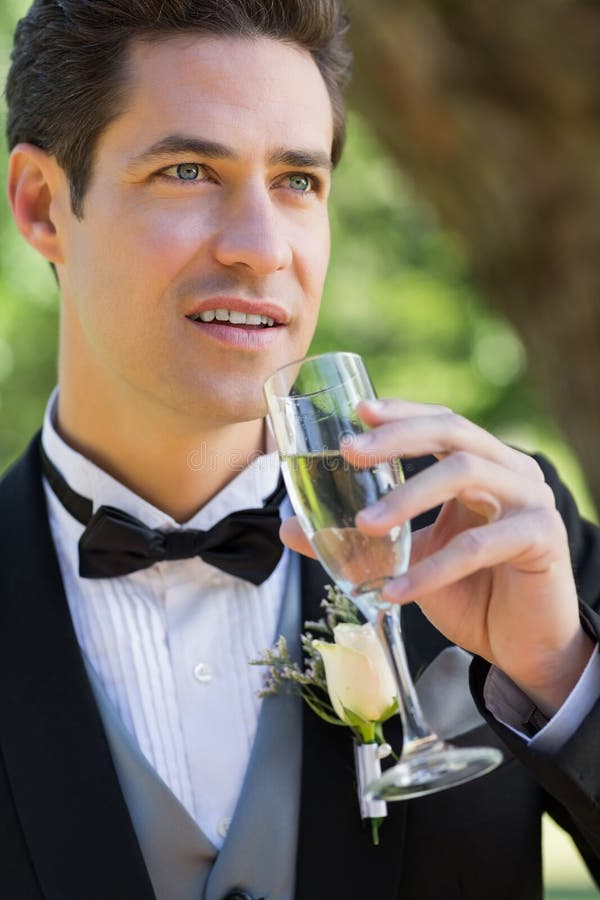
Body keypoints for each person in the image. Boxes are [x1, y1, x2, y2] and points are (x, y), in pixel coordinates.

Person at [1, 1, 599, 898]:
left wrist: (563, 677)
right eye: (189, 170)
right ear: (44, 206)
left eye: (297, 182)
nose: (260, 248)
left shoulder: (497, 537)